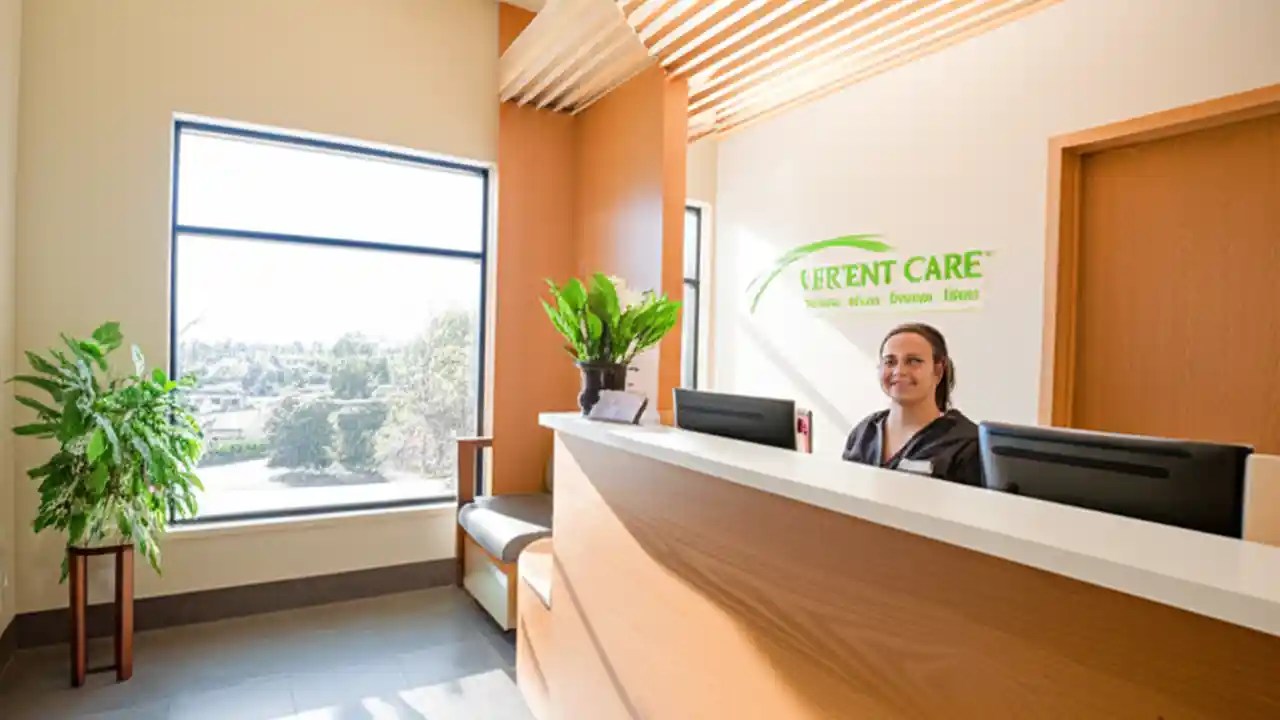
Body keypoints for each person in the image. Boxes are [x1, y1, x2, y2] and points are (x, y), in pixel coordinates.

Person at [842, 323, 982, 486]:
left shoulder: (967, 444)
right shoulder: (864, 433)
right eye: (890, 361)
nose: (899, 371)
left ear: (938, 372)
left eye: (913, 361)